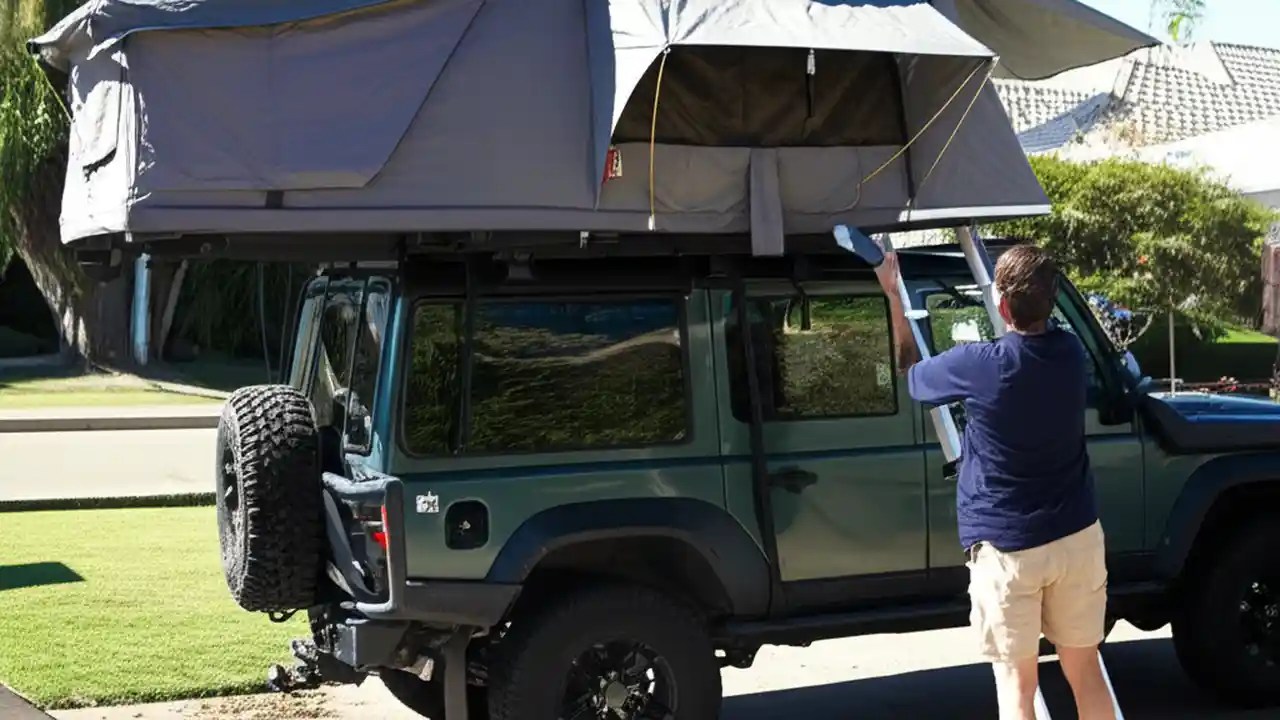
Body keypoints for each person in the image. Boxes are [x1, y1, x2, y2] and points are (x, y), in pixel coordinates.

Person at [873, 243, 1115, 720]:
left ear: (1001, 305)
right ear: (1051, 301)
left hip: (1008, 550)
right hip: (1077, 539)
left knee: (1016, 684)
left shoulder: (980, 364)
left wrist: (893, 298)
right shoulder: (1069, 354)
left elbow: (911, 374)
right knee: (1085, 669)